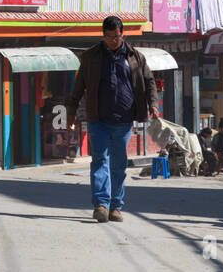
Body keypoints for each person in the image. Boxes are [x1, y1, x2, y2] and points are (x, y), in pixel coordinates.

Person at [66, 16, 159, 222]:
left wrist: (153, 103)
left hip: (124, 120)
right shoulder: (91, 56)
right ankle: (101, 204)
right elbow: (79, 86)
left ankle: (116, 206)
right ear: (103, 35)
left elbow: (149, 81)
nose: (111, 41)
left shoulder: (135, 57)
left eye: (115, 37)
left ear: (122, 34)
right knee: (99, 160)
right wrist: (71, 112)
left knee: (118, 164)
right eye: (107, 37)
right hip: (98, 119)